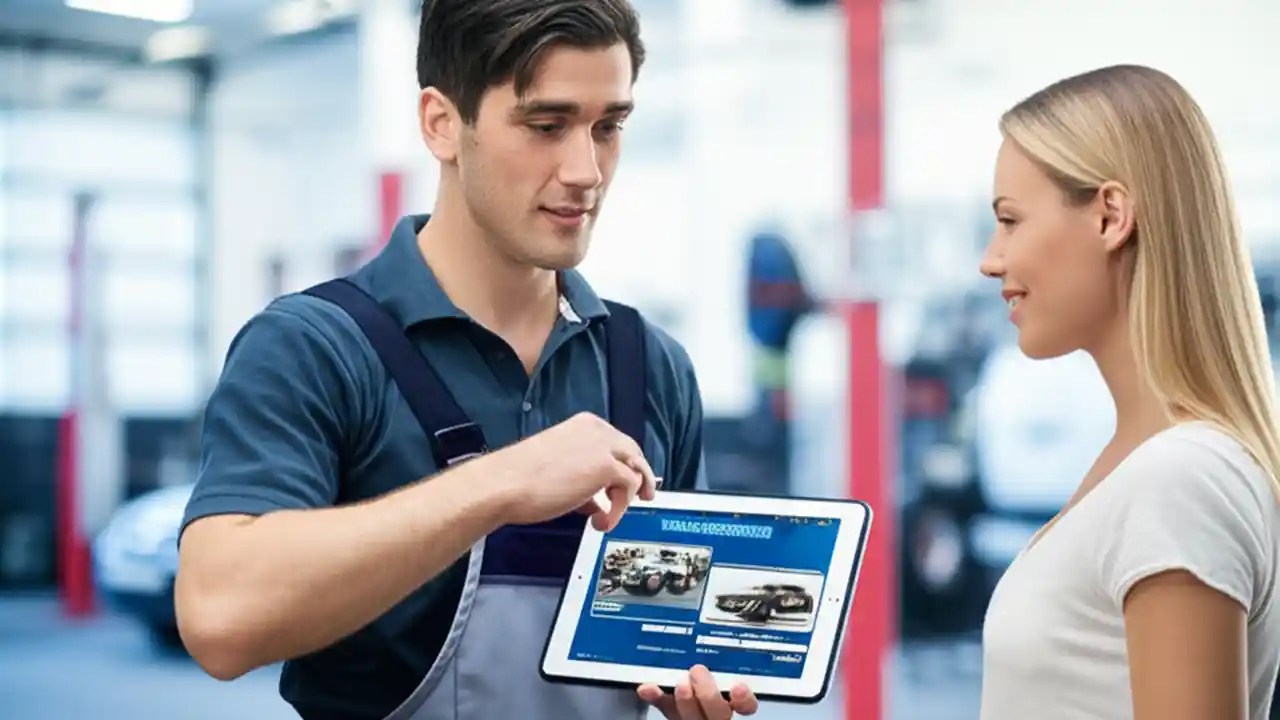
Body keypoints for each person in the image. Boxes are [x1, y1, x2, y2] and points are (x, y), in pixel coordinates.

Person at [173, 1, 758, 719]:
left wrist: (689, 684)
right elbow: (220, 620)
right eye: (546, 126)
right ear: (441, 123)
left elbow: (674, 633)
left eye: (608, 127)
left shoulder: (651, 366)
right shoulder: (314, 347)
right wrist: (504, 481)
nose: (587, 171)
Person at [977, 64, 1280, 719]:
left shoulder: (1182, 476)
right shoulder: (1150, 465)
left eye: (1010, 220)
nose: (991, 259)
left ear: (1111, 217)